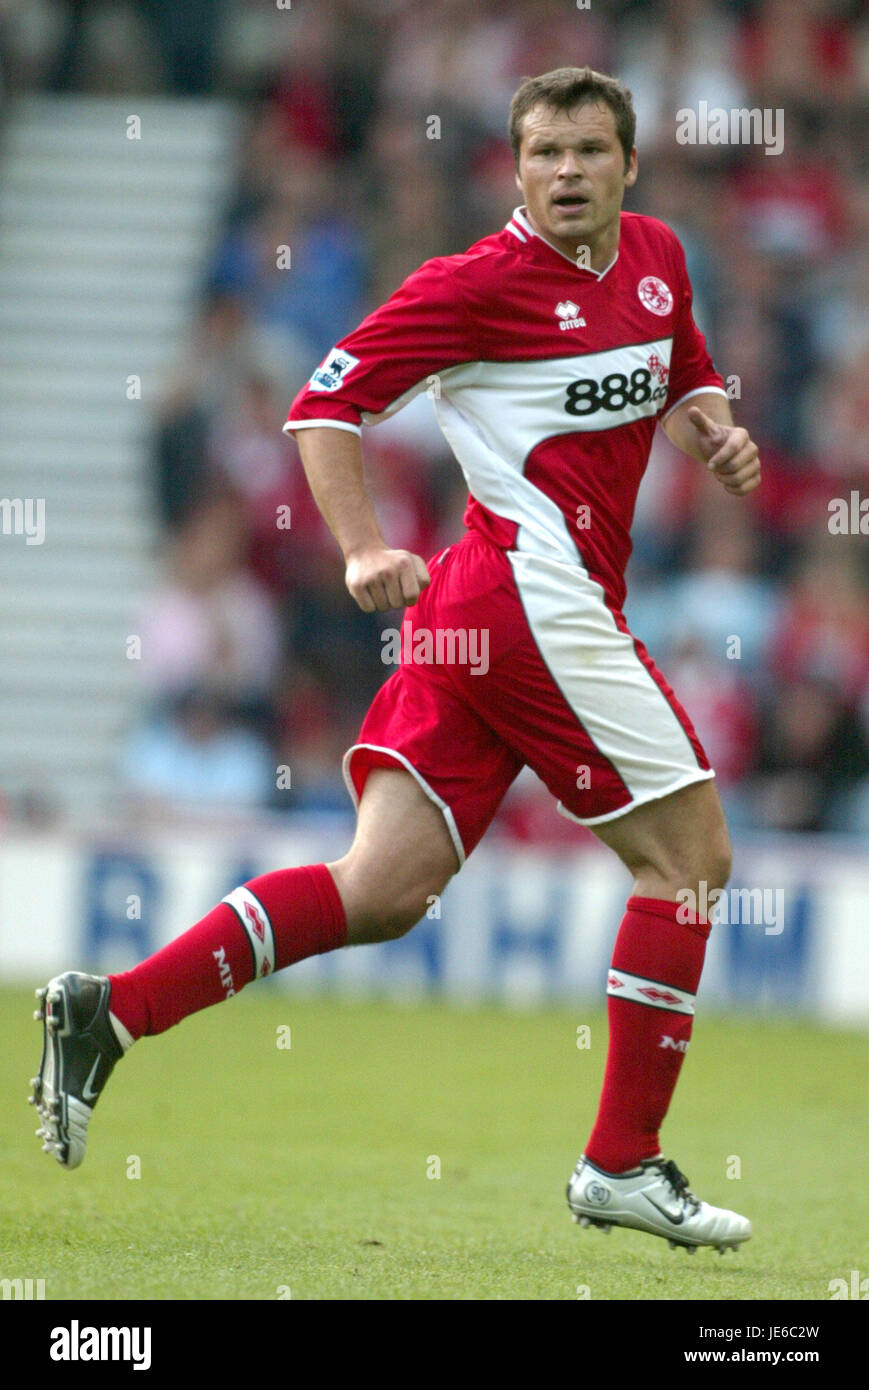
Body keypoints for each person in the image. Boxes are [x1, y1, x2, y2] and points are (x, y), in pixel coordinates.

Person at [32, 67, 760, 1255]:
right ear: (514, 169)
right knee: (690, 857)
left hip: (486, 612)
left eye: (586, 150)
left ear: (628, 164)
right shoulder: (470, 287)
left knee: (379, 891)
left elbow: (681, 374)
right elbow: (323, 405)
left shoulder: (659, 256)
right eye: (541, 153)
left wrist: (714, 433)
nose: (564, 172)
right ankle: (620, 1161)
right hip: (531, 598)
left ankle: (110, 1012)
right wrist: (363, 545)